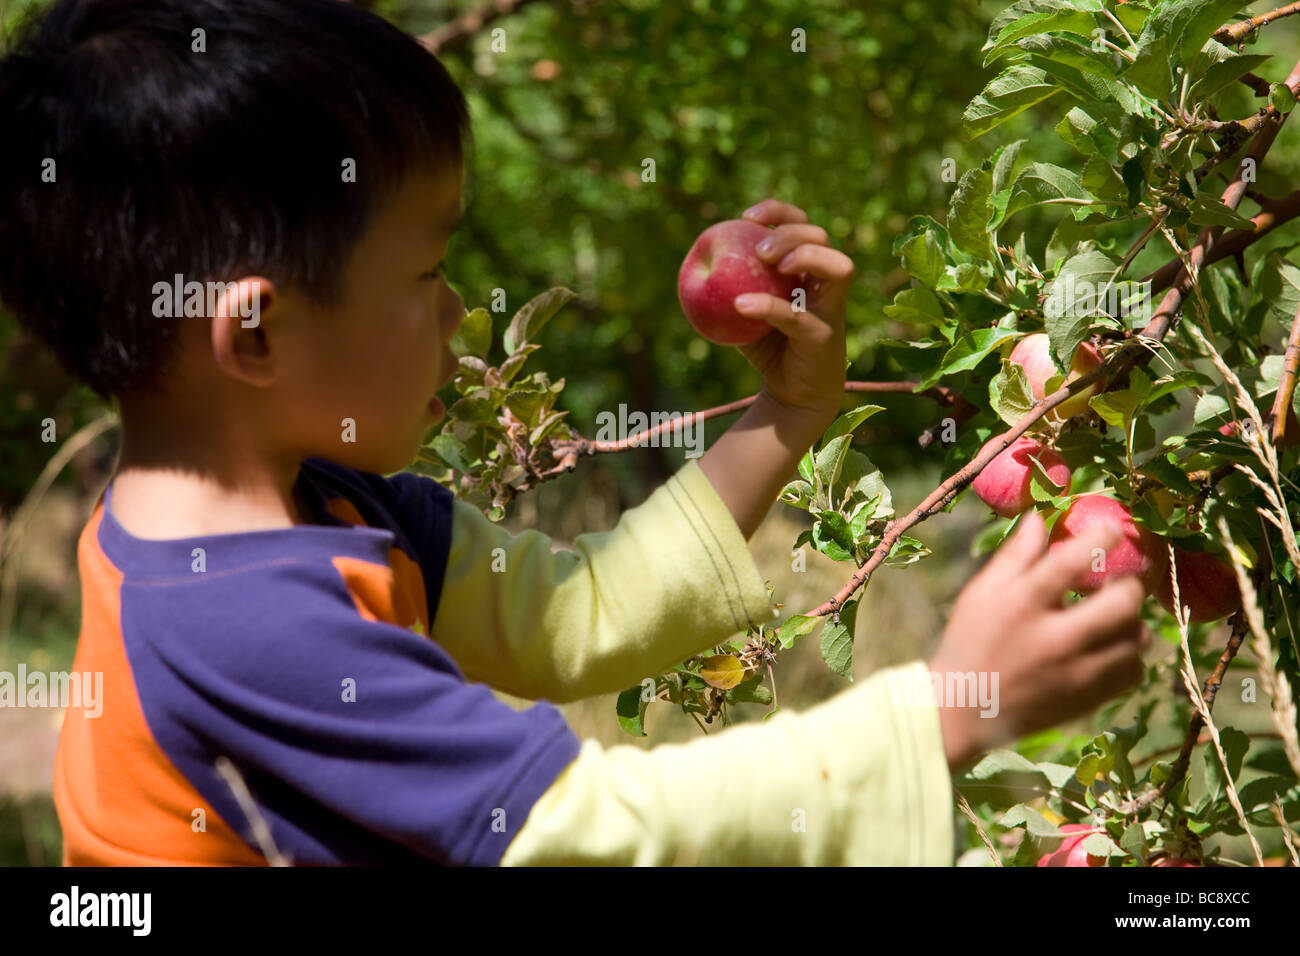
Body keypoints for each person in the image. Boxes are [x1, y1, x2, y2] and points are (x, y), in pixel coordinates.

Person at [0, 0, 1148, 866]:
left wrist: (784, 416)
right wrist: (945, 710)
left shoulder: (322, 499)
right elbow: (576, 829)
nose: (457, 311)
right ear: (254, 332)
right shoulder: (240, 622)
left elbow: (571, 611)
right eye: (428, 268)